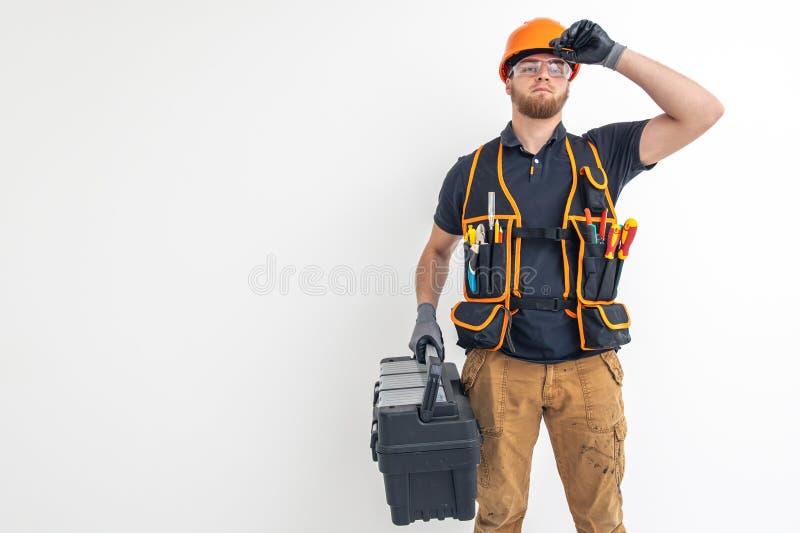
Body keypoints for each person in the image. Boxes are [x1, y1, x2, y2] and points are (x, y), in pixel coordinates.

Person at [408, 18, 723, 533]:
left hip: (588, 368)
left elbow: (703, 112)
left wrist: (615, 54)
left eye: (556, 66)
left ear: (571, 79)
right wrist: (425, 314)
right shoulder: (470, 170)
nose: (542, 74)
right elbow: (437, 251)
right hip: (499, 366)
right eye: (528, 66)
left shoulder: (604, 154)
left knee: (601, 519)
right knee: (498, 516)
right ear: (507, 80)